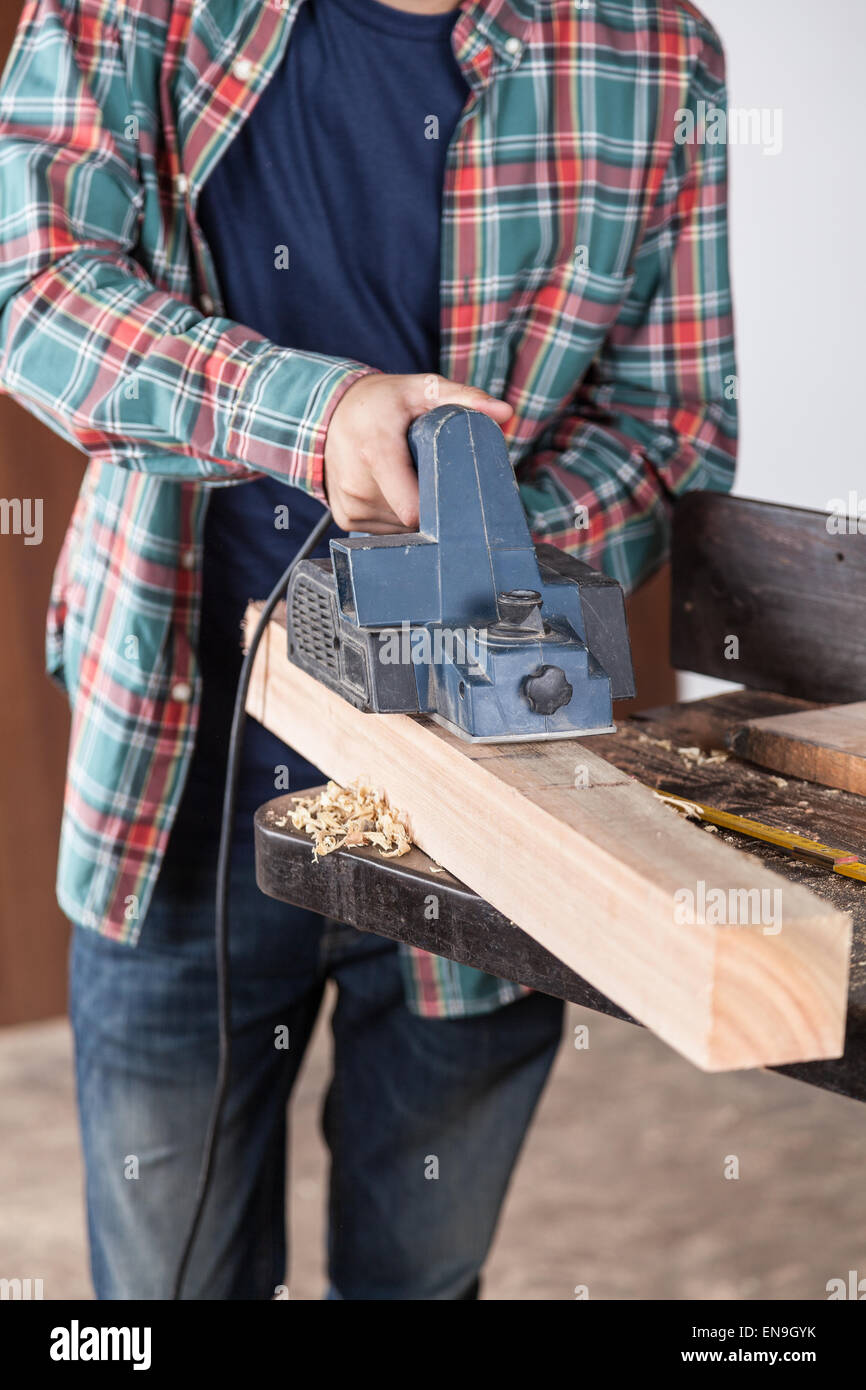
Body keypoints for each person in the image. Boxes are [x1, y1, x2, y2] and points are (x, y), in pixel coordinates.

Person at [0, 0, 737, 1299]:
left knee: (420, 1270)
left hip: (493, 791)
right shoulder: (135, 14)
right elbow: (36, 286)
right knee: (165, 1286)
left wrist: (470, 539)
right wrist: (312, 411)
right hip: (180, 779)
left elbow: (670, 424)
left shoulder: (657, 52)